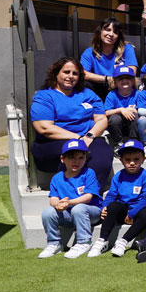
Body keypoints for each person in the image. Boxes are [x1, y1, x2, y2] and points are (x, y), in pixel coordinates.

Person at [30, 57, 114, 192]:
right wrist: (78, 139)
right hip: (52, 143)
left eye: (75, 73)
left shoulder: (88, 94)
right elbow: (44, 128)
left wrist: (89, 136)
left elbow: (102, 119)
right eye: (66, 72)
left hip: (87, 138)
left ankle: (90, 195)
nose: (70, 76)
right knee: (75, 153)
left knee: (104, 153)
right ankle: (68, 194)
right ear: (56, 74)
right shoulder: (45, 96)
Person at [37, 139, 103, 259]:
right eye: (71, 157)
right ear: (63, 159)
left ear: (86, 158)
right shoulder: (57, 178)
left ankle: (84, 242)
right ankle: (54, 243)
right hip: (69, 213)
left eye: (81, 158)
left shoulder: (89, 173)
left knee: (78, 208)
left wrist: (69, 202)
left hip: (91, 213)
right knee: (48, 212)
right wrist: (58, 205)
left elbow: (88, 197)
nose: (76, 161)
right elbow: (53, 199)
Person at [88, 139, 146, 258]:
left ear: (143, 160)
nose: (132, 163)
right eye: (127, 160)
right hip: (123, 209)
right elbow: (111, 195)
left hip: (137, 211)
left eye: (136, 159)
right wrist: (104, 207)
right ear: (121, 161)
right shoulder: (119, 176)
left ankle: (123, 241)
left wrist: (132, 214)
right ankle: (102, 240)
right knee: (113, 206)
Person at [80, 16, 138, 96]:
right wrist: (107, 79)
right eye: (108, 30)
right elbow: (83, 73)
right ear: (100, 31)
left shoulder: (127, 48)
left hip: (120, 86)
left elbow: (132, 71)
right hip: (99, 86)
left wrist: (116, 80)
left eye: (115, 32)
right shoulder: (89, 52)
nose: (111, 34)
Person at [103, 66, 140, 151]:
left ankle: (134, 141)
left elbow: (143, 110)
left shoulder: (137, 94)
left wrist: (133, 110)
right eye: (120, 78)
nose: (124, 80)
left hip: (132, 126)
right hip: (117, 127)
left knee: (134, 114)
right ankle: (119, 143)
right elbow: (105, 113)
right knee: (114, 118)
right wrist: (121, 110)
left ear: (133, 80)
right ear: (115, 81)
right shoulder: (112, 94)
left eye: (128, 78)